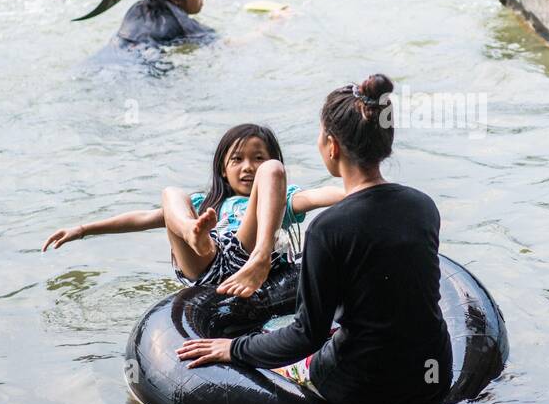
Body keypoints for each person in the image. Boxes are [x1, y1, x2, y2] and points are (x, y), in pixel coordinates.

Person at [176, 74, 454, 404]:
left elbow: (306, 335)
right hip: (433, 375)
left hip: (360, 387)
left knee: (269, 373)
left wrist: (234, 348)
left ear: (332, 146)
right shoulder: (423, 206)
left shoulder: (328, 228)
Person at [42, 123, 344, 298]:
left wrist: (361, 190)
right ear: (223, 171)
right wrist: (83, 229)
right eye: (237, 160)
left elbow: (318, 196)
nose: (248, 166)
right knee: (171, 193)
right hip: (204, 261)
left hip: (247, 255)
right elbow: (143, 219)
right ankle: (192, 233)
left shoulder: (276, 200)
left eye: (257, 158)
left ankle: (255, 255)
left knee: (274, 171)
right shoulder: (207, 204)